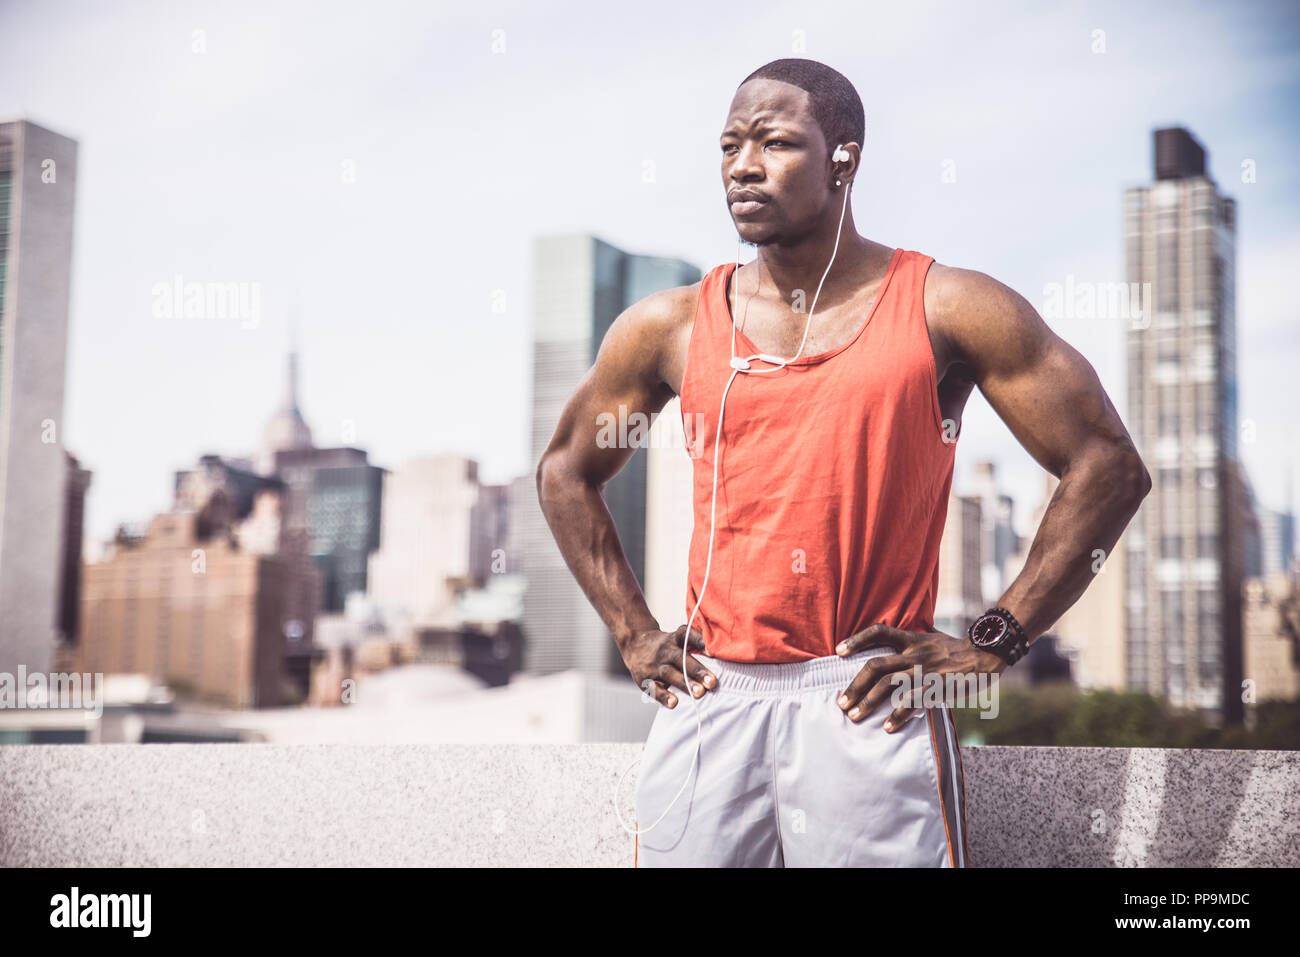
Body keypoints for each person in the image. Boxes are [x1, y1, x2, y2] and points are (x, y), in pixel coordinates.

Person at [535, 57, 1151, 867]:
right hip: (711, 697)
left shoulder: (948, 305)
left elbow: (1108, 464)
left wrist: (994, 639)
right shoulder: (669, 327)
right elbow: (565, 472)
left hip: (871, 699)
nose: (743, 165)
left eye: (775, 142)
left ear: (843, 161)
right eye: (729, 146)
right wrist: (633, 631)